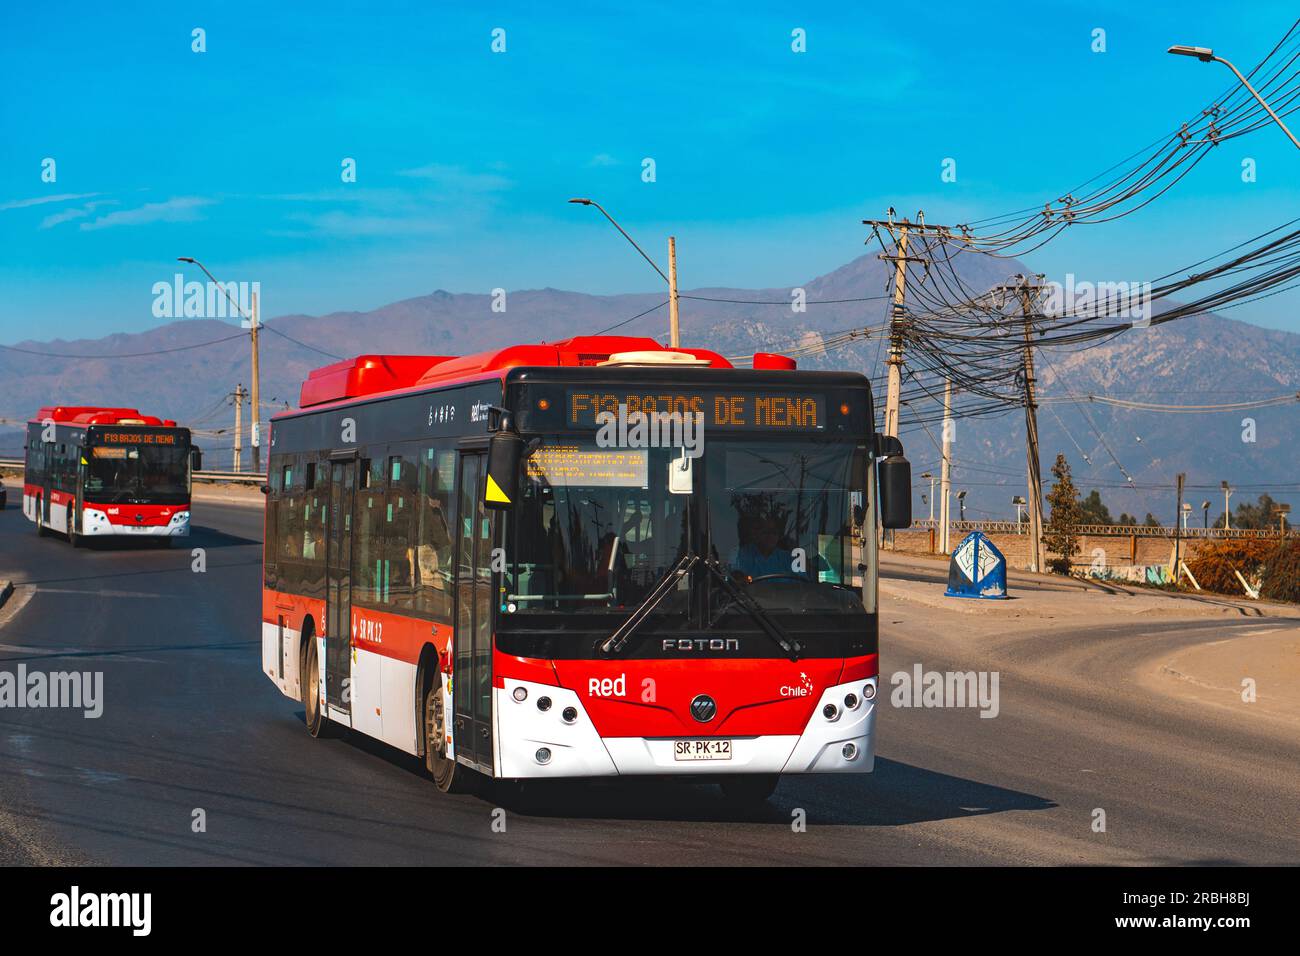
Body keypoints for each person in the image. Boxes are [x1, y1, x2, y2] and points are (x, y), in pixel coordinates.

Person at [731, 515, 797, 579]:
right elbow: (737, 580)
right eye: (766, 532)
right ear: (757, 534)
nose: (770, 536)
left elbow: (803, 584)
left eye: (774, 532)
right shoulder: (743, 554)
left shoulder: (788, 558)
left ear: (779, 535)